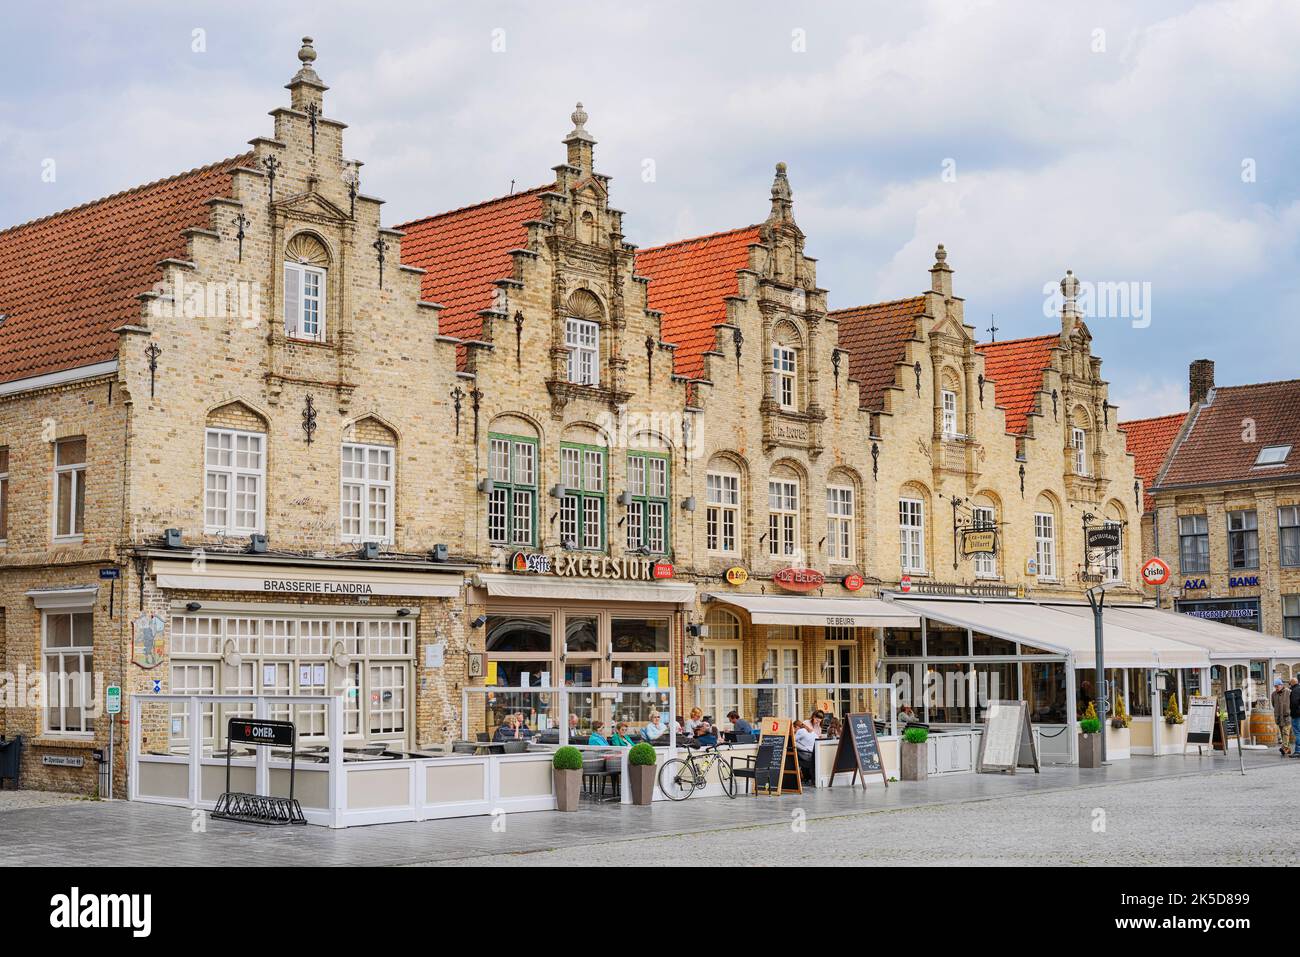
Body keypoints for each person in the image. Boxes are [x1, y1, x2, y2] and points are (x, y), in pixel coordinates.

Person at [793, 719, 817, 786]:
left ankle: (794, 777)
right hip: (815, 754)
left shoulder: (801, 731)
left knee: (794, 745)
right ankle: (805, 776)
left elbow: (792, 740)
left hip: (808, 755)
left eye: (793, 728)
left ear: (797, 727)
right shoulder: (810, 730)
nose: (794, 730)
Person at [1272, 678, 1291, 756]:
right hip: (1279, 717)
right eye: (1275, 686)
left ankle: (1284, 747)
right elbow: (1273, 704)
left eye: (1277, 686)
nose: (1276, 688)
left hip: (1287, 716)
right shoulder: (1273, 694)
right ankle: (1288, 749)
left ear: (1281, 685)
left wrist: (1288, 711)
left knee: (1285, 732)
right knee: (1282, 733)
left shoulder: (1288, 692)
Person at [1290, 678, 1300, 758]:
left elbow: (1294, 703)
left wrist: (1293, 712)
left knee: (1297, 733)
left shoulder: (1295, 691)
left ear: (1292, 683)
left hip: (1296, 715)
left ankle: (1298, 751)